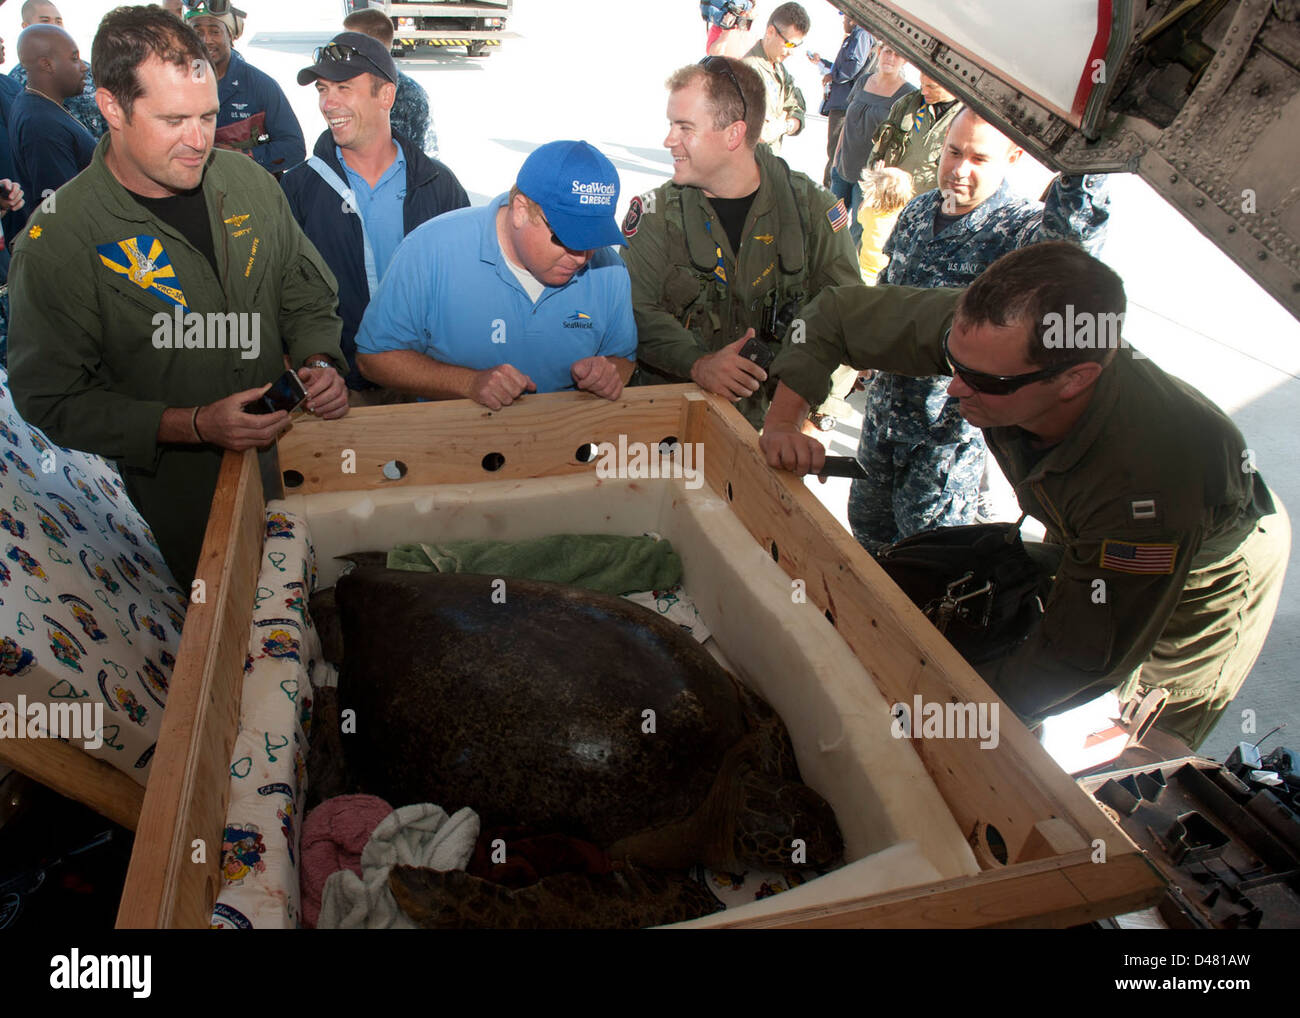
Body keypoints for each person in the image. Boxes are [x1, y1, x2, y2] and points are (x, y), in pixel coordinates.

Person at [759, 242, 1289, 751]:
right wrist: (784, 421)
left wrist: (931, 714)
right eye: (953, 360)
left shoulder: (1148, 487)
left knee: (1152, 735)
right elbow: (833, 315)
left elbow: (1079, 658)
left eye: (983, 381)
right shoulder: (996, 340)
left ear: (1074, 380)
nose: (954, 389)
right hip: (1083, 515)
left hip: (1209, 565)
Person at [6, 6, 347, 589]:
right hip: (188, 506)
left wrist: (318, 360)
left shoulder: (248, 183)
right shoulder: (57, 240)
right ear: (112, 107)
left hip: (296, 467)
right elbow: (52, 399)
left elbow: (302, 286)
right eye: (173, 120)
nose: (198, 141)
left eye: (209, 116)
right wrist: (190, 424)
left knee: (324, 597)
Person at [847, 109, 1111, 550]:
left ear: (1013, 157)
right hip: (882, 426)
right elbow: (887, 294)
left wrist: (1083, 166)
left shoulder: (1019, 230)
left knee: (927, 563)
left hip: (943, 443)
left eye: (978, 159)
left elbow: (1072, 255)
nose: (959, 170)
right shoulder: (918, 211)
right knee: (866, 541)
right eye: (953, 152)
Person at [620, 57, 860, 430]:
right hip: (671, 423)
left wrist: (816, 415)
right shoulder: (654, 214)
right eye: (671, 125)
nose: (669, 140)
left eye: (684, 127)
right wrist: (698, 363)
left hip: (771, 426)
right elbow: (634, 313)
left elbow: (845, 316)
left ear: (733, 134)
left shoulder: (811, 210)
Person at [354, 140, 635, 409]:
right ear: (521, 211)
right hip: (451, 446)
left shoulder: (609, 270)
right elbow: (373, 358)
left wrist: (609, 375)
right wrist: (468, 383)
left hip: (566, 445)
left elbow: (623, 358)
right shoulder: (430, 250)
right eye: (568, 238)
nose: (581, 257)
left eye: (593, 239)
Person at [282, 32, 468, 405]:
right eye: (322, 89)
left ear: (386, 96)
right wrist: (315, 366)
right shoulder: (298, 188)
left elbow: (467, 285)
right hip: (343, 394)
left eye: (343, 88)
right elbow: (282, 295)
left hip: (431, 386)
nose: (327, 103)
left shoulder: (438, 183)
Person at [184, 1, 305, 176]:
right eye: (197, 32)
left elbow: (294, 148)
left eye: (215, 31)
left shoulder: (259, 85)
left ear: (230, 36)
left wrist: (246, 156)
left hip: (248, 190)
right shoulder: (178, 83)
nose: (205, 40)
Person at [8, 24, 96, 227]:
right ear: (47, 65)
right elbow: (57, 208)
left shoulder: (36, 104)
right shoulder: (41, 125)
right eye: (74, 58)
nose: (83, 66)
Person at [830, 42, 913, 249]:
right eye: (887, 51)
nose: (890, 58)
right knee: (829, 225)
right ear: (878, 52)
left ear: (905, 60)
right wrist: (835, 159)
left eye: (897, 54)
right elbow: (847, 119)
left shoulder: (909, 94)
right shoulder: (863, 81)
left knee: (856, 233)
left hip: (868, 179)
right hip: (842, 169)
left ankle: (843, 277)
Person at [343, 6, 439, 158]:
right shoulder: (342, 89)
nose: (341, 51)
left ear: (373, 49)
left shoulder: (411, 96)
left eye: (348, 46)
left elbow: (426, 157)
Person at [7, 1, 107, 139]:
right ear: (26, 27)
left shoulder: (86, 69)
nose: (54, 26)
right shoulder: (17, 81)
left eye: (58, 21)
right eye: (45, 21)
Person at [867, 72, 960, 195]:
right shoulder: (907, 104)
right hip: (889, 198)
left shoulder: (966, 119)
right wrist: (873, 177)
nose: (923, 92)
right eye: (922, 85)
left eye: (931, 87)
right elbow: (880, 148)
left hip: (924, 206)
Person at [807, 10, 871, 188]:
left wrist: (834, 76)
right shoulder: (856, 36)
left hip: (844, 105)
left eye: (844, 17)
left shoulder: (862, 35)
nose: (843, 22)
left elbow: (853, 66)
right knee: (834, 150)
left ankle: (828, 193)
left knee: (836, 151)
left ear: (853, 18)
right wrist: (825, 65)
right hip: (841, 102)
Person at [742, 1, 807, 156]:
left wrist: (784, 123)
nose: (791, 52)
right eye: (789, 44)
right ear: (771, 32)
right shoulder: (748, 71)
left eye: (796, 46)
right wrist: (786, 123)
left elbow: (797, 107)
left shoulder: (779, 68)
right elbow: (760, 133)